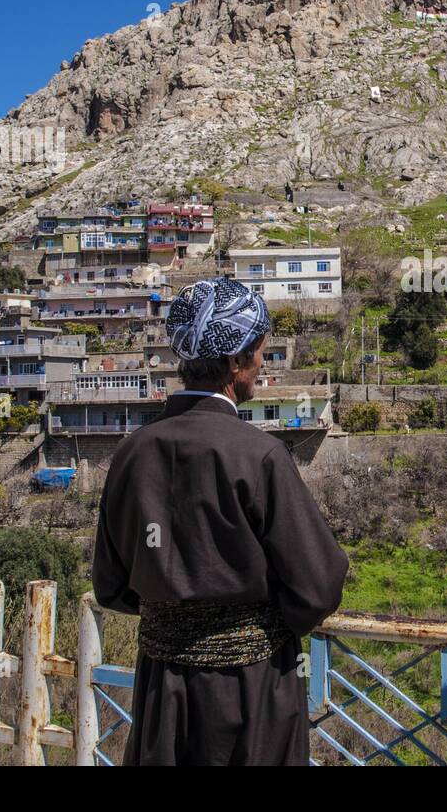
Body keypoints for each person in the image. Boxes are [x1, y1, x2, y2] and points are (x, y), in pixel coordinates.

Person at [93, 277, 348, 765]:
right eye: (260, 354)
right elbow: (318, 585)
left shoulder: (131, 454)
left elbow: (111, 586)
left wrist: (177, 618)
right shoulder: (261, 455)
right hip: (252, 696)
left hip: (160, 692)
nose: (261, 367)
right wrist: (255, 624)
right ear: (235, 363)